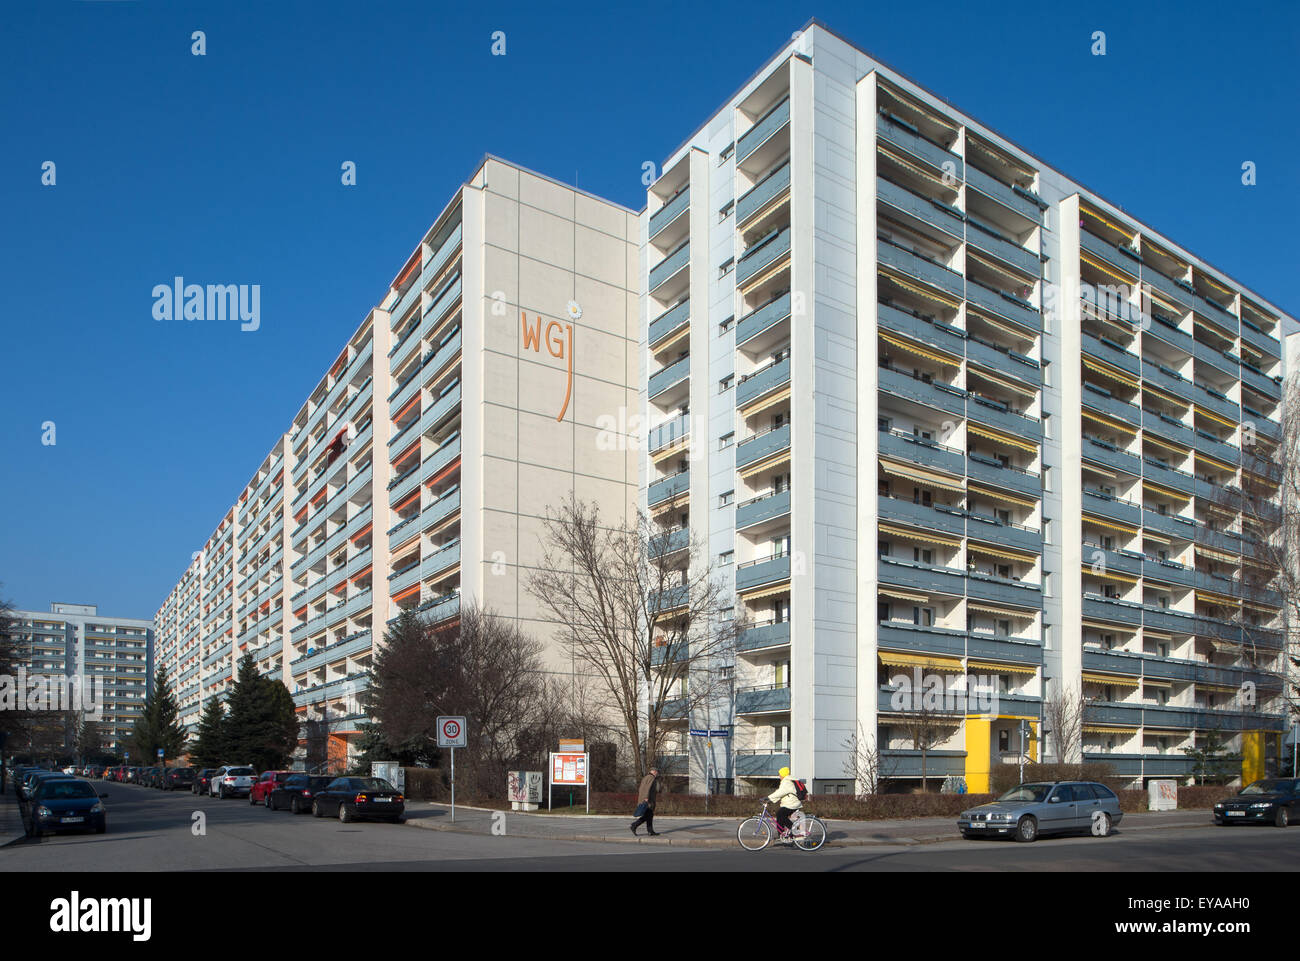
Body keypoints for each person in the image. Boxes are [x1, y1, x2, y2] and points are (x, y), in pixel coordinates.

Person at [766, 766, 802, 842]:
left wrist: (768, 798)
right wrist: (770, 799)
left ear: (783, 774)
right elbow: (780, 793)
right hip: (791, 803)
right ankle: (781, 835)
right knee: (779, 815)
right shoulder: (787, 780)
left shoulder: (786, 782)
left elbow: (780, 792)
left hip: (792, 804)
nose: (779, 776)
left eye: (780, 774)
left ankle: (794, 830)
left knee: (780, 814)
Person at [630, 767, 660, 836]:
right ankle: (634, 825)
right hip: (648, 800)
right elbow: (647, 788)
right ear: (654, 771)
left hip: (646, 799)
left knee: (649, 815)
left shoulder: (646, 777)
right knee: (648, 815)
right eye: (657, 772)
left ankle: (650, 831)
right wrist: (646, 798)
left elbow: (642, 788)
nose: (657, 773)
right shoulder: (651, 778)